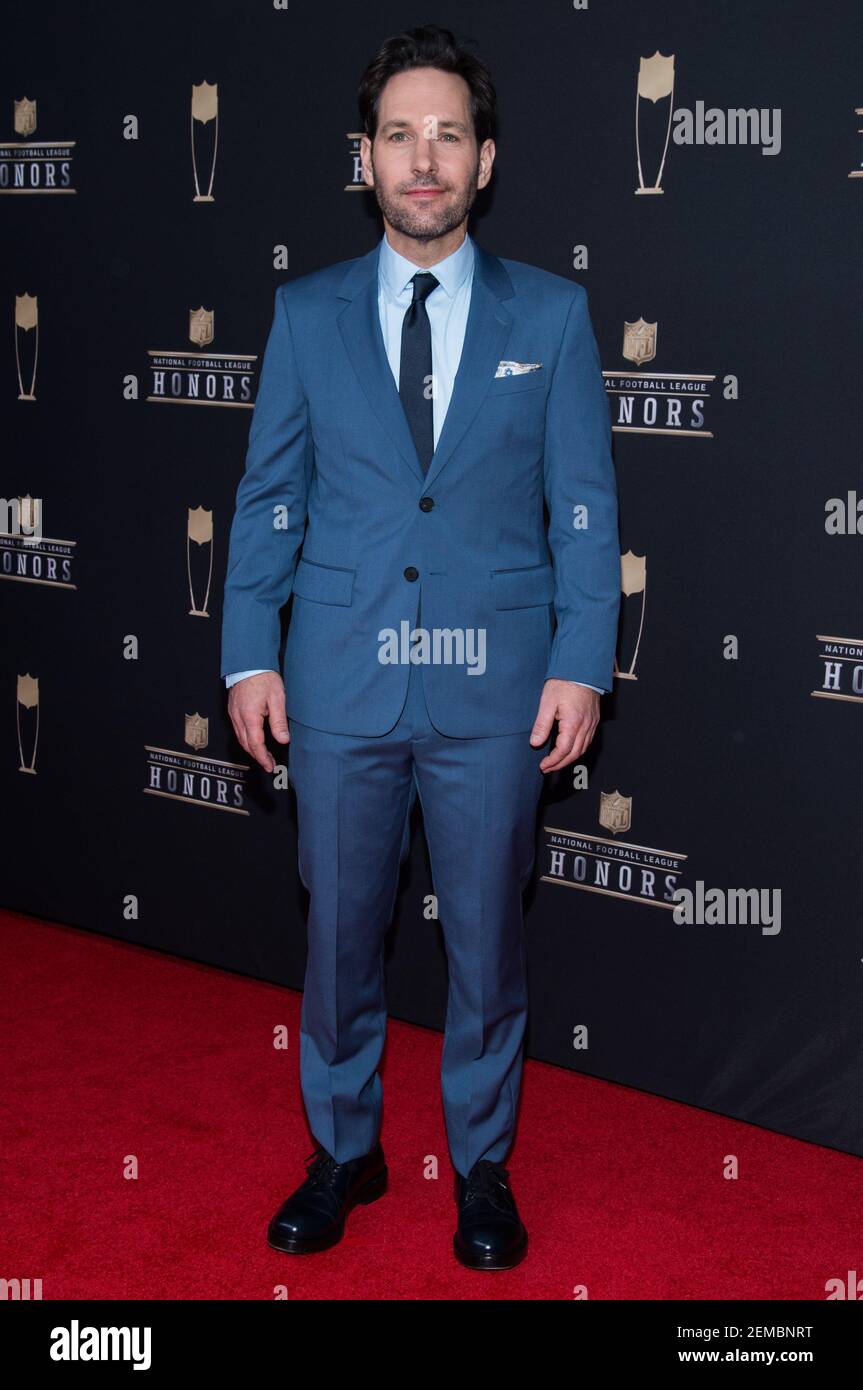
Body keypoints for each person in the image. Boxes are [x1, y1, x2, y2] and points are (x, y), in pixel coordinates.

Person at [220, 23, 620, 1272]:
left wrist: (581, 658)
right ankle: (344, 1150)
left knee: (486, 944)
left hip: (495, 688)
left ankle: (482, 1164)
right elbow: (268, 494)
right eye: (400, 134)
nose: (424, 158)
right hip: (338, 681)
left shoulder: (551, 316)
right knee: (339, 934)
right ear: (366, 160)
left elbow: (582, 506)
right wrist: (249, 653)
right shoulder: (305, 313)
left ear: (484, 160)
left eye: (447, 133)